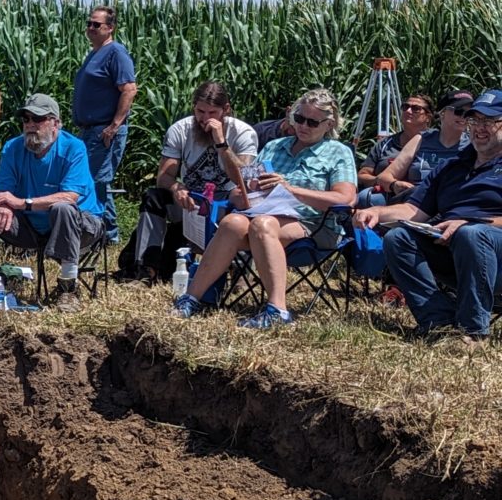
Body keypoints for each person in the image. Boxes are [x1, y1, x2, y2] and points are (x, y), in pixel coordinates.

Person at [173, 87, 357, 330]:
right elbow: (245, 186)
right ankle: (192, 298)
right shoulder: (275, 146)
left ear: (329, 124)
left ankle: (277, 309)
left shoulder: (338, 152)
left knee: (262, 225)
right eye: (299, 118)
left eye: (312, 122)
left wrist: (290, 189)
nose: (303, 126)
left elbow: (345, 199)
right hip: (264, 213)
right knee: (232, 223)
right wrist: (244, 193)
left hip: (314, 223)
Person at [357, 88, 502, 340]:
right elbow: (414, 210)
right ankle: (439, 322)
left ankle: (473, 331)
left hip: (493, 251)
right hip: (453, 250)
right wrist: (377, 211)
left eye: (489, 121)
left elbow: (473, 230)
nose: (480, 128)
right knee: (398, 238)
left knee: (471, 233)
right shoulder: (452, 166)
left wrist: (472, 223)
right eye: (474, 120)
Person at [0, 94, 104, 312]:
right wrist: (3, 204)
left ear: (55, 123)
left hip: (80, 226)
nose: (30, 125)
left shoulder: (74, 148)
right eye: (26, 119)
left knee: (62, 208)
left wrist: (21, 203)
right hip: (30, 226)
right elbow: (3, 190)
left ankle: (68, 289)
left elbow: (69, 197)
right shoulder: (13, 147)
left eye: (37, 119)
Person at [117, 81, 257, 281]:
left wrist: (221, 144)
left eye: (212, 113)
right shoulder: (180, 130)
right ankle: (145, 268)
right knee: (154, 197)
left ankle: (239, 272)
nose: (205, 119)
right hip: (190, 199)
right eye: (200, 112)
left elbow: (244, 179)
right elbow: (164, 177)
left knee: (244, 199)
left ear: (225, 110)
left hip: (226, 201)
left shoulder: (243, 132)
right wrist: (176, 187)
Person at [71, 6, 137, 243]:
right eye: (89, 23)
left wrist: (114, 125)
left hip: (104, 130)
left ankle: (107, 234)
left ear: (110, 28)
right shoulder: (95, 53)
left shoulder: (115, 52)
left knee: (97, 180)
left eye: (96, 24)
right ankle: (103, 231)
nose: (90, 28)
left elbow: (129, 89)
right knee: (93, 180)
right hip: (90, 129)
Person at [371, 90, 470, 205]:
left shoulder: (472, 145)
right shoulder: (421, 139)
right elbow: (385, 176)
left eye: (469, 113)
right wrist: (394, 184)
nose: (464, 116)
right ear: (442, 113)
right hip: (416, 199)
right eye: (459, 111)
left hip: (453, 201)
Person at [356, 92, 435, 207]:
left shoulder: (436, 142)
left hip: (421, 197)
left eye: (416, 109)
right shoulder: (385, 144)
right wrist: (384, 182)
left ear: (428, 117)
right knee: (365, 197)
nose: (408, 111)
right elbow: (362, 175)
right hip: (386, 195)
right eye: (405, 107)